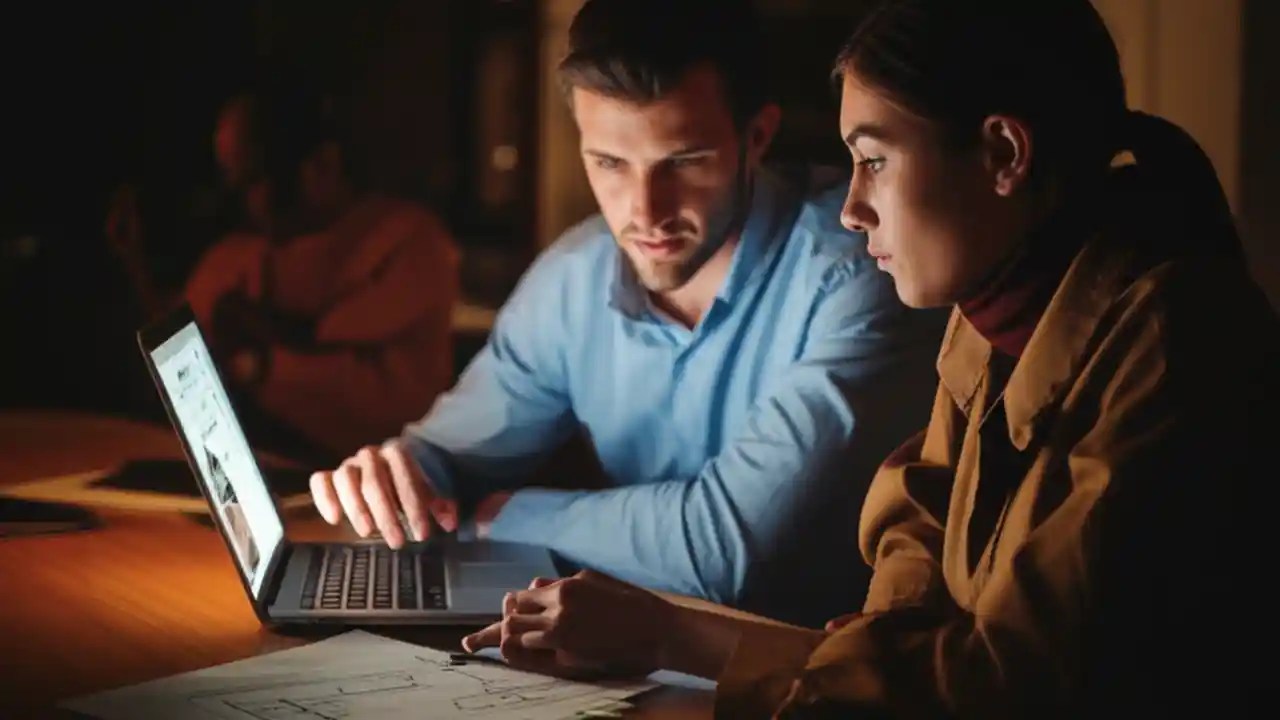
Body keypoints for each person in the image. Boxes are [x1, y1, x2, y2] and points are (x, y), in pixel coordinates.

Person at [460, 0, 1278, 716]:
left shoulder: (1176, 345)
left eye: (875, 160)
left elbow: (1014, 683)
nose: (851, 208)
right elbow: (914, 537)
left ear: (1003, 154)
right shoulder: (990, 319)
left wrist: (674, 632)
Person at [308, 0, 946, 628]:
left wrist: (497, 517)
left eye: (684, 162)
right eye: (610, 163)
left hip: (814, 668)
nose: (645, 212)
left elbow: (728, 552)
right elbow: (450, 457)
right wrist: (398, 478)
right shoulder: (573, 277)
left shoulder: (861, 270)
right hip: (625, 658)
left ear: (756, 137)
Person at [178, 77, 460, 460]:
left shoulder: (410, 242)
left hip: (379, 476)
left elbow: (321, 343)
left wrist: (253, 354)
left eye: (257, 178)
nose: (245, 202)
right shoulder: (241, 251)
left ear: (321, 165)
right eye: (234, 183)